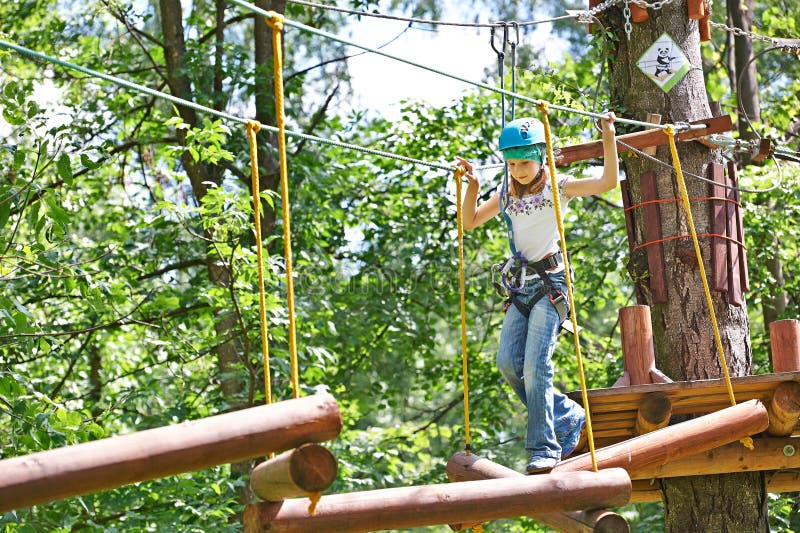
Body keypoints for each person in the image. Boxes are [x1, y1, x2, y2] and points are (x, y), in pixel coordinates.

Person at [457, 113, 618, 474]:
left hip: (551, 284)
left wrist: (608, 134)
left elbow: (607, 182)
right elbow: (468, 222)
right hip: (521, 287)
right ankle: (565, 415)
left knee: (535, 366)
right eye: (512, 163)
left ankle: (544, 448)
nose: (518, 170)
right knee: (507, 364)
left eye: (525, 162)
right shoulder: (505, 193)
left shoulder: (557, 188)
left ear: (540, 157)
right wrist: (473, 185)